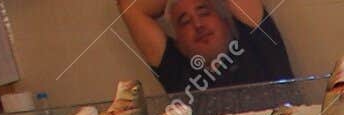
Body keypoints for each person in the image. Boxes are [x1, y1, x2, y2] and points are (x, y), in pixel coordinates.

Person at [116, 0, 294, 92]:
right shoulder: (179, 74)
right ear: (179, 44)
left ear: (225, 22)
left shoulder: (259, 46)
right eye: (185, 22)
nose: (198, 25)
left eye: (204, 12)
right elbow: (131, 8)